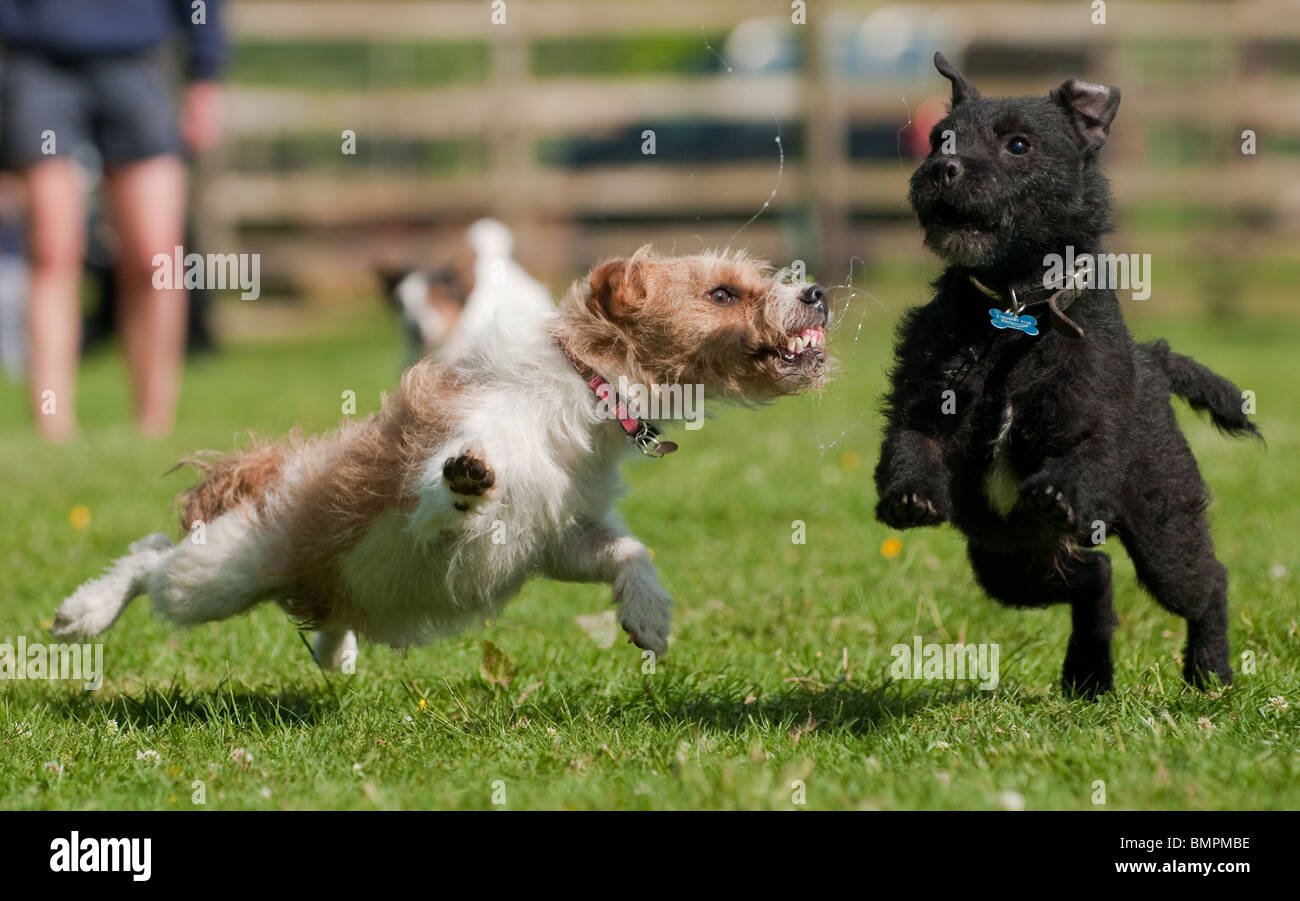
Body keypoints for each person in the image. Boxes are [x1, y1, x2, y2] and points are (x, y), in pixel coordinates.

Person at [0, 0, 226, 440]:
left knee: (155, 257)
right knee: (51, 250)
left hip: (138, 58)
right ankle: (54, 434)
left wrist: (206, 70)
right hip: (37, 60)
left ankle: (154, 430)